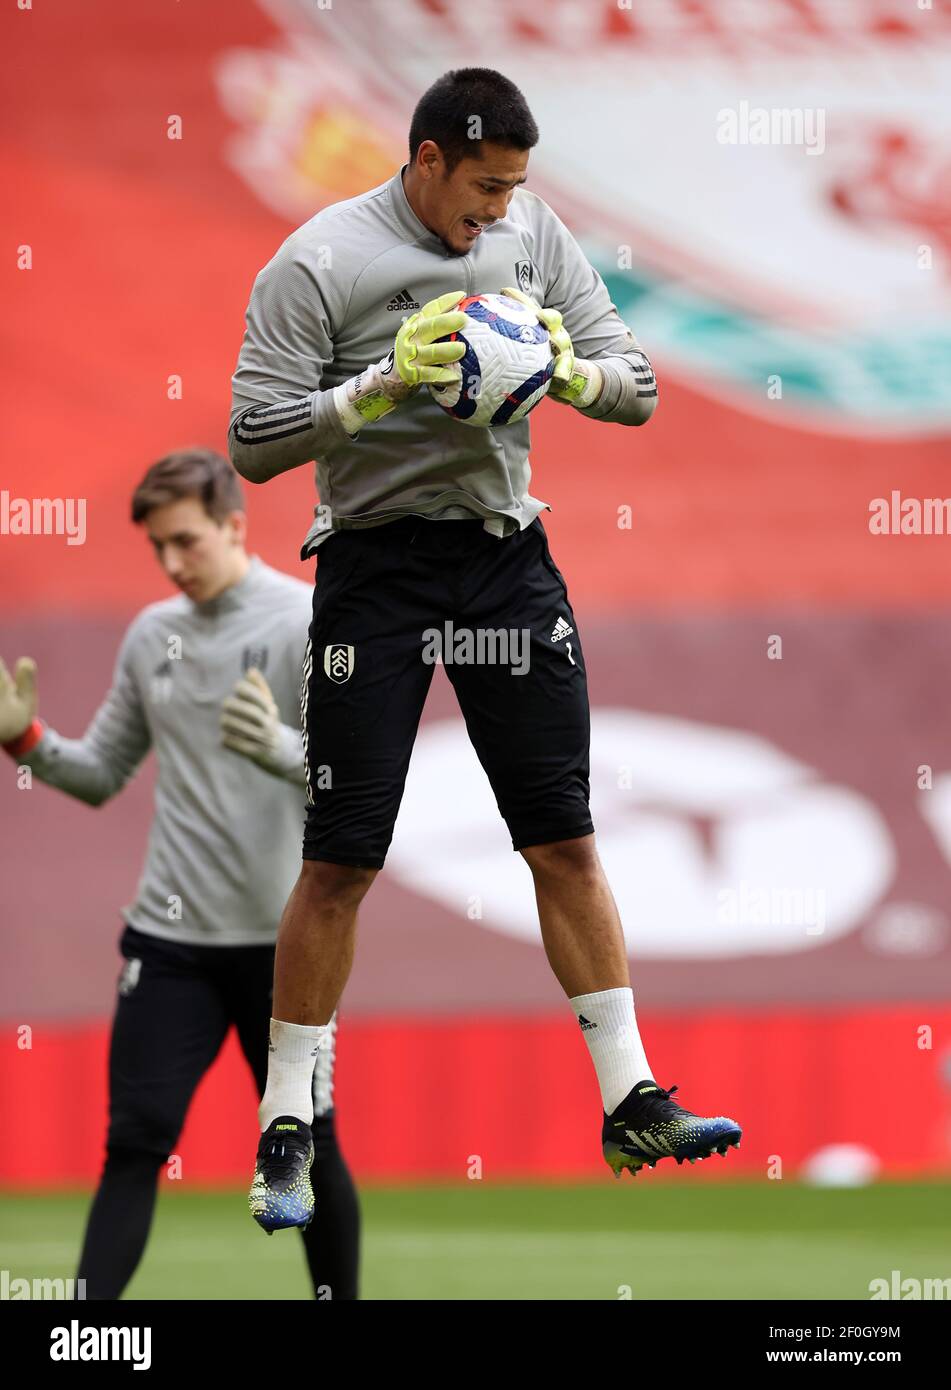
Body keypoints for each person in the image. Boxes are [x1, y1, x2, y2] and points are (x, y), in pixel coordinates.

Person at [228, 68, 740, 1228]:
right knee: (343, 858)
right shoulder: (316, 262)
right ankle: (286, 1125)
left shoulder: (533, 231)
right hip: (375, 571)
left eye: (515, 188)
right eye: (485, 188)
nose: (501, 212)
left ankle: (630, 1097)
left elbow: (640, 387)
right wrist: (377, 385)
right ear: (424, 161)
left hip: (506, 560)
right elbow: (253, 442)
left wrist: (568, 372)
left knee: (563, 837)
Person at [0, 448, 359, 1297]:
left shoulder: (305, 622)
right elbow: (98, 774)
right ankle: (84, 1333)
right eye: (158, 545)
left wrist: (278, 747)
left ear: (235, 524)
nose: (170, 562)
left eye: (186, 541)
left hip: (289, 947)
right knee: (134, 1143)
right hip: (168, 945)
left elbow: (362, 786)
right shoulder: (150, 635)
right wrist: (26, 741)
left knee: (309, 1141)